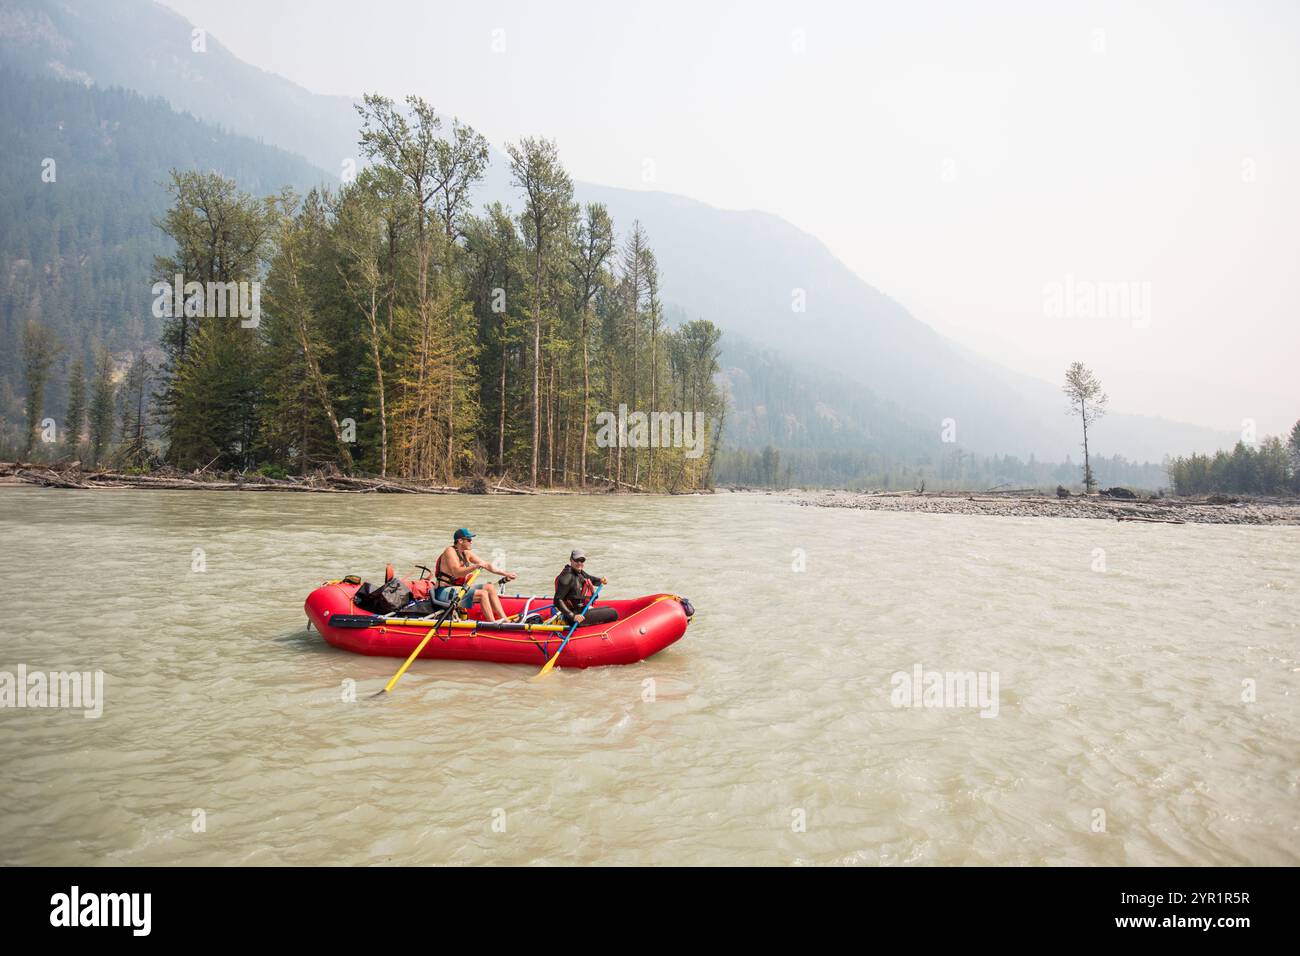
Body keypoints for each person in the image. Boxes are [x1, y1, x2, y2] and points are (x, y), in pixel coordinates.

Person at [434, 528, 515, 622]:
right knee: (482, 594)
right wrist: (475, 567)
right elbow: (457, 572)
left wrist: (506, 573)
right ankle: (492, 624)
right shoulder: (449, 551)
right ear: (460, 541)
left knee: (489, 587)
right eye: (469, 540)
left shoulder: (466, 553)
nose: (471, 542)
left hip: (459, 591)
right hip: (443, 591)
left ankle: (505, 620)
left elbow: (487, 565)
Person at [554, 549, 617, 626]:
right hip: (574, 617)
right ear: (571, 560)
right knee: (613, 613)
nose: (579, 563)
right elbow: (557, 600)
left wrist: (601, 580)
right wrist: (573, 616)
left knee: (607, 609)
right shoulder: (567, 576)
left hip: (580, 610)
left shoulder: (579, 572)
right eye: (577, 560)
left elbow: (590, 578)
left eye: (582, 560)